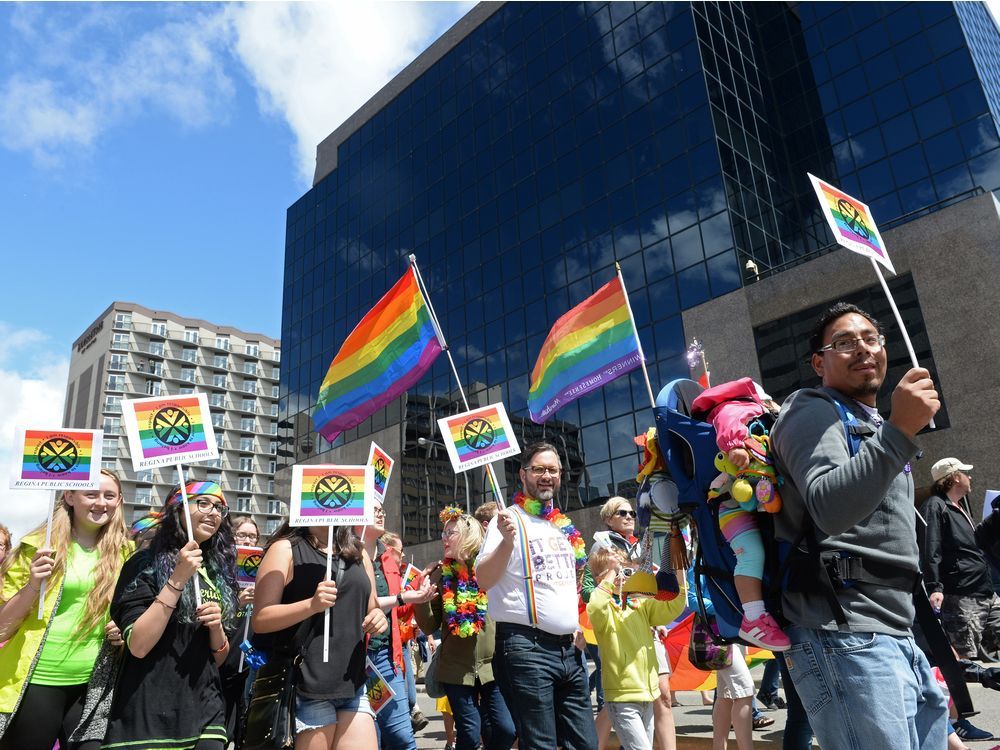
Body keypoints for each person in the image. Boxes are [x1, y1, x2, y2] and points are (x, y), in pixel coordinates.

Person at [771, 302, 948, 749]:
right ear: (819, 362)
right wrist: (900, 431)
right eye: (844, 343)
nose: (863, 349)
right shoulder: (810, 410)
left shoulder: (873, 423)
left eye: (871, 339)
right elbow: (828, 506)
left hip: (896, 632)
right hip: (845, 633)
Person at [476, 441, 598, 750]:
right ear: (523, 474)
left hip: (569, 651)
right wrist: (505, 541)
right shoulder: (507, 522)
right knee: (540, 744)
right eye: (539, 469)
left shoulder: (562, 526)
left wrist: (575, 623)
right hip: (525, 647)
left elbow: (566, 583)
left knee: (584, 743)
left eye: (553, 470)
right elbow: (484, 579)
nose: (547, 476)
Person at [102, 481, 240, 750]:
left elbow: (219, 657)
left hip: (206, 708)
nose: (213, 512)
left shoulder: (216, 572)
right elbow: (139, 646)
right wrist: (178, 579)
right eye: (202, 503)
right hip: (151, 711)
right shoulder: (144, 564)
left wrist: (216, 628)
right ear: (177, 510)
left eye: (219, 508)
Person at [0, 468, 132, 750]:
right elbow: (2, 627)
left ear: (119, 501)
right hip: (38, 680)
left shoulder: (126, 552)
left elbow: (130, 611)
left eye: (110, 496)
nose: (101, 502)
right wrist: (33, 585)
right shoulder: (36, 547)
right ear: (70, 497)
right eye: (91, 494)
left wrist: (122, 627)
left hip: (96, 685)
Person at [253, 518, 387, 750]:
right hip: (307, 685)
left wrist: (378, 617)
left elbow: (372, 606)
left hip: (352, 683)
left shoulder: (358, 552)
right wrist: (311, 605)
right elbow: (261, 619)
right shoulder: (285, 549)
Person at [691, 378, 790, 652]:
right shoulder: (736, 408)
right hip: (730, 506)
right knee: (752, 554)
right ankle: (754, 618)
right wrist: (735, 446)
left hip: (753, 498)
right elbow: (727, 423)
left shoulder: (757, 411)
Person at [415, 506, 515, 750]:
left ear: (468, 537)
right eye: (444, 532)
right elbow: (428, 624)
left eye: (451, 533)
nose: (444, 537)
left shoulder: (489, 567)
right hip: (455, 670)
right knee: (469, 734)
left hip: (492, 668)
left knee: (505, 730)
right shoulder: (440, 575)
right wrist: (422, 596)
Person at [586, 547, 684, 750]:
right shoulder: (603, 612)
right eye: (613, 571)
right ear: (599, 580)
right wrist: (612, 571)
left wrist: (681, 574)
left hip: (647, 694)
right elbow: (595, 605)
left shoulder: (639, 604)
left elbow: (671, 608)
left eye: (624, 571)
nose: (621, 576)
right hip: (622, 698)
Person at [357, 500, 436, 750]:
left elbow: (397, 608)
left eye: (382, 509)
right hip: (353, 657)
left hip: (385, 657)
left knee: (402, 736)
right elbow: (361, 603)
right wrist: (405, 596)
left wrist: (417, 590)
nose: (381, 513)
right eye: (374, 508)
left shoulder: (387, 557)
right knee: (373, 736)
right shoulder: (342, 554)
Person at [922, 458, 1000, 661]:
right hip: (962, 596)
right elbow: (931, 548)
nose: (970, 476)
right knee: (965, 660)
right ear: (955, 477)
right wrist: (934, 587)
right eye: (965, 472)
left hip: (986, 592)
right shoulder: (936, 506)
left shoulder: (960, 508)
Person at [381, 531, 428, 734]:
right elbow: (397, 609)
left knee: (405, 694)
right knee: (402, 696)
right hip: (388, 643)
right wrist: (414, 592)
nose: (402, 557)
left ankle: (410, 715)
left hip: (403, 640)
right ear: (389, 551)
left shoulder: (397, 573)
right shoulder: (383, 573)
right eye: (400, 552)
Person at [222, 515, 260, 743]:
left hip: (249, 662)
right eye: (242, 535)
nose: (247, 541)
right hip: (226, 655)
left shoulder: (261, 569)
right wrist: (237, 601)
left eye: (252, 536)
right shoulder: (222, 568)